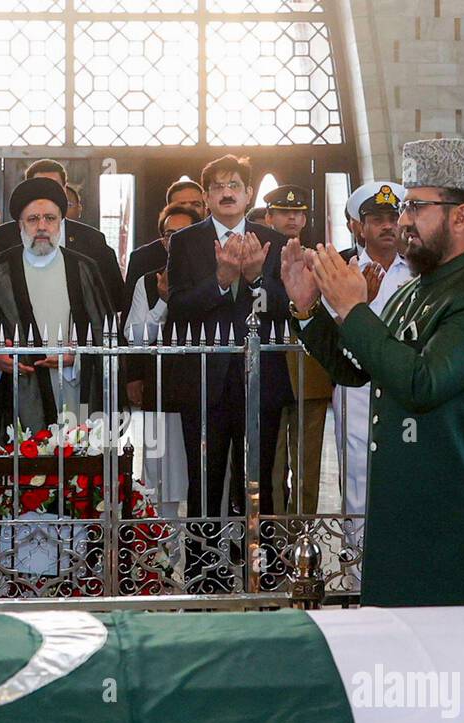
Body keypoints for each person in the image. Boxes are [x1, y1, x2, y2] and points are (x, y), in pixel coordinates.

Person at [286, 137, 464, 606]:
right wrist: (309, 310)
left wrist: (353, 309)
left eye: (415, 206)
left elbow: (421, 383)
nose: (404, 220)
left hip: (452, 513)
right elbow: (358, 368)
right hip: (398, 508)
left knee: (458, 660)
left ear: (461, 215)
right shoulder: (419, 288)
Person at [165, 154, 291, 592]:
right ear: (204, 198)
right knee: (205, 481)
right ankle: (203, 572)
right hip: (204, 381)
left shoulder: (272, 240)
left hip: (262, 379)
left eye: (234, 183)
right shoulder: (185, 243)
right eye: (217, 185)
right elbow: (177, 310)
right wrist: (219, 280)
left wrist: (256, 278)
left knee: (259, 481)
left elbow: (288, 306)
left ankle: (263, 569)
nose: (227, 191)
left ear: (249, 193)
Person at [0, 176, 118, 445]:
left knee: (74, 473)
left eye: (50, 218)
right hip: (16, 395)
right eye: (33, 219)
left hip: (73, 391)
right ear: (20, 226)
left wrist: (79, 356)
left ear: (61, 223)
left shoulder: (84, 268)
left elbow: (106, 335)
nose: (42, 226)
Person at [330, 182, 410, 560]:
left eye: (393, 217)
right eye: (377, 219)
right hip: (358, 383)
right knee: (359, 471)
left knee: (403, 470)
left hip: (406, 382)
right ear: (360, 227)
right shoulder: (345, 271)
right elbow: (331, 335)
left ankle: (400, 556)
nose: (387, 226)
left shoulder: (419, 270)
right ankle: (358, 562)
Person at [124, 202, 202, 519]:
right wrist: (163, 305)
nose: (177, 240)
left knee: (208, 478)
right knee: (162, 482)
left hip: (204, 388)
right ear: (163, 240)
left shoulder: (213, 277)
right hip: (162, 389)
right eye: (171, 234)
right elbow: (136, 337)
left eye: (185, 233)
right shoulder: (147, 282)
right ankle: (162, 558)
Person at [264, 184, 332, 515]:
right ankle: (275, 541)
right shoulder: (257, 258)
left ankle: (302, 535)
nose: (292, 218)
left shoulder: (316, 259)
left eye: (298, 213)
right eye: (284, 212)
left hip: (310, 368)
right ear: (269, 216)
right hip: (272, 367)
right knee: (274, 468)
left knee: (307, 467)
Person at [0, 159, 124, 309]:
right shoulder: (3, 236)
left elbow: (114, 298)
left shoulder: (92, 239)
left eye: (54, 186)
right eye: (39, 187)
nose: (47, 192)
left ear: (65, 190)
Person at [123, 178, 207, 312]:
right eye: (181, 205)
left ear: (206, 208)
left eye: (196, 204)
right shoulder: (142, 258)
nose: (189, 210)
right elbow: (130, 325)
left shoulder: (219, 250)